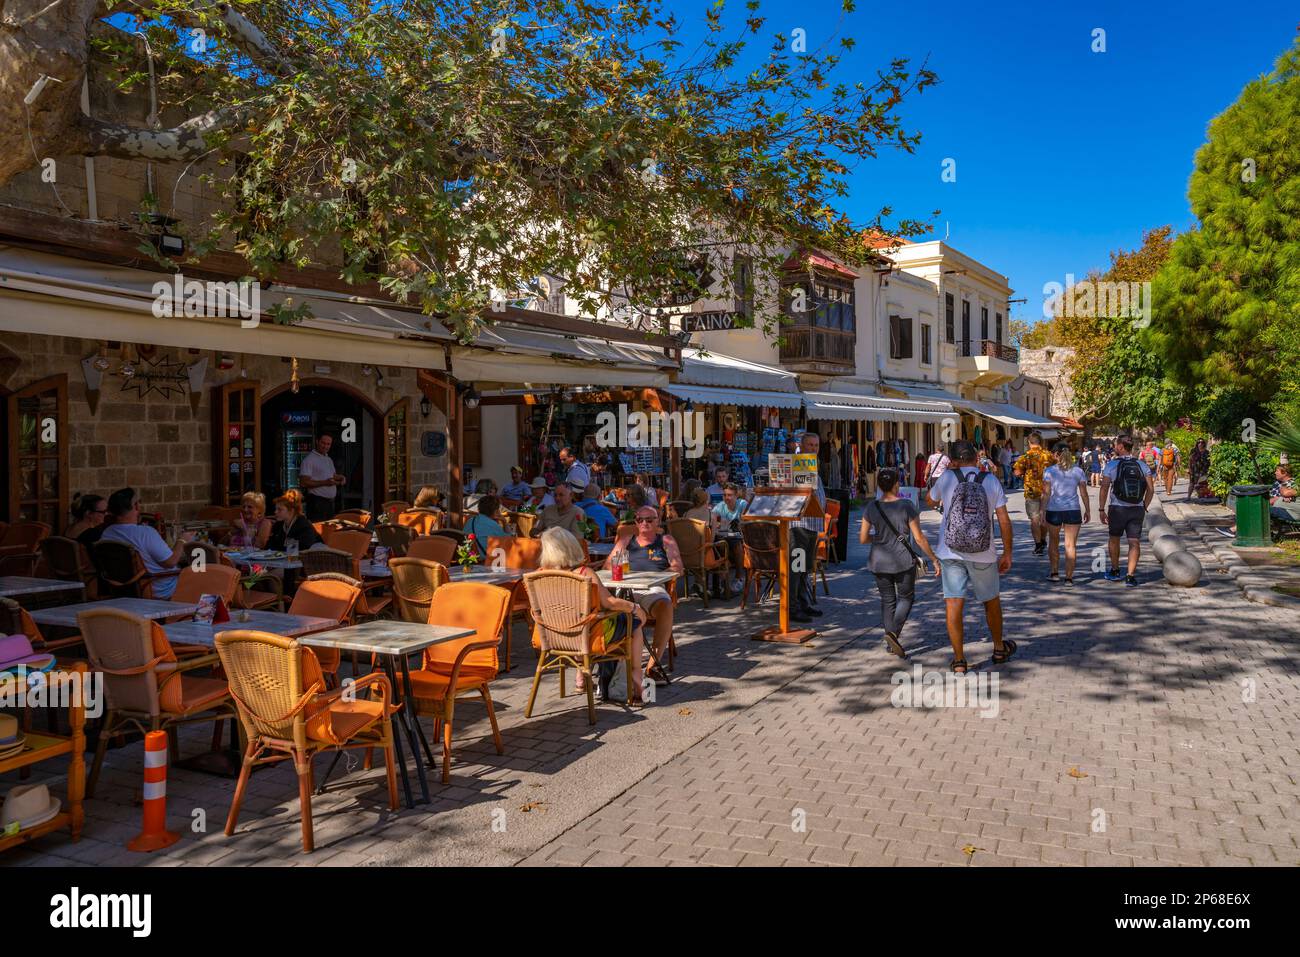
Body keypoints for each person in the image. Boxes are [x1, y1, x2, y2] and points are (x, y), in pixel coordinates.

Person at [928, 442, 1015, 674]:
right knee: (991, 600)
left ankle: (959, 660)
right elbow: (1005, 521)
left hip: (950, 550)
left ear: (954, 460)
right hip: (983, 551)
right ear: (977, 458)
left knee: (954, 602)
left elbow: (930, 500)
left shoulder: (946, 478)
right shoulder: (990, 480)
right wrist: (1007, 552)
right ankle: (998, 648)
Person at [539, 527, 648, 704]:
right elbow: (609, 603)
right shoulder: (583, 573)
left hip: (553, 636)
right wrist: (635, 607)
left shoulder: (539, 574)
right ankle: (636, 673)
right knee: (633, 623)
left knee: (594, 622)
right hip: (588, 637)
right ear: (571, 547)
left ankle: (580, 676)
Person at [859, 467, 940, 658]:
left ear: (879, 485)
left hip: (878, 561)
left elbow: (863, 538)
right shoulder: (906, 505)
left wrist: (879, 539)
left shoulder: (872, 506)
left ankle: (891, 639)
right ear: (897, 485)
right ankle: (893, 634)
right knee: (906, 598)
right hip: (903, 560)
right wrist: (934, 559)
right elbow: (919, 538)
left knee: (887, 600)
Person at [606, 505, 683, 685]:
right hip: (626, 588)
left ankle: (652, 665)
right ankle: (610, 664)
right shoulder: (626, 540)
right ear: (636, 522)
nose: (645, 523)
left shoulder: (666, 540)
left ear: (657, 521)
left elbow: (678, 568)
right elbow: (608, 565)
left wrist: (655, 577)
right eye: (640, 520)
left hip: (652, 589)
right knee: (606, 607)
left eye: (650, 520)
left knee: (665, 606)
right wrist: (624, 573)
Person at [99, 488, 195, 599]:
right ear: (136, 506)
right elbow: (171, 562)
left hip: (125, 590)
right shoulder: (145, 533)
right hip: (160, 588)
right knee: (204, 574)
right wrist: (182, 540)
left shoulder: (107, 533)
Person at [1098, 436, 1155, 587]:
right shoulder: (1142, 465)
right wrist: (1144, 506)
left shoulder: (1112, 465)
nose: (1115, 447)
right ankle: (1130, 576)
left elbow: (1104, 487)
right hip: (1137, 509)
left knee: (1114, 538)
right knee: (1134, 542)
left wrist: (1101, 509)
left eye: (1116, 445)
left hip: (1117, 508)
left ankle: (1115, 571)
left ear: (1121, 446)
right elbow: (1151, 490)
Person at [790, 431, 827, 620]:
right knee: (796, 568)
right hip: (799, 526)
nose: (814, 448)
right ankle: (792, 608)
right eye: (810, 445)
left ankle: (803, 604)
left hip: (812, 524)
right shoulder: (796, 464)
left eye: (816, 445)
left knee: (805, 569)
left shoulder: (812, 465)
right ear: (801, 445)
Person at [1041, 445, 1091, 584]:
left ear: (1056, 454)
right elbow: (1084, 493)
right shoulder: (1078, 471)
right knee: (1070, 545)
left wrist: (1042, 511)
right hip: (1072, 510)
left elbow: (1046, 494)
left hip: (1054, 510)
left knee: (1053, 542)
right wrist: (1087, 510)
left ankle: (1054, 573)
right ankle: (1069, 578)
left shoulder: (1049, 471)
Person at [1013, 432, 1054, 555]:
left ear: (1029, 443)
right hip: (1046, 491)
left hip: (1032, 492)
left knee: (1035, 519)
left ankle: (1038, 545)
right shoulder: (1048, 455)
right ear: (1040, 442)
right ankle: (1043, 539)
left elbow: (1017, 472)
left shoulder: (1025, 456)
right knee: (1044, 517)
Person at [298, 433, 346, 521]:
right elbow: (303, 482)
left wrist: (341, 477)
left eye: (328, 444)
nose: (325, 446)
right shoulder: (309, 460)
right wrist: (325, 482)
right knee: (318, 532)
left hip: (330, 503)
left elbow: (332, 475)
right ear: (317, 442)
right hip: (317, 503)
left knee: (328, 531)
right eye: (323, 443)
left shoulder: (328, 459)